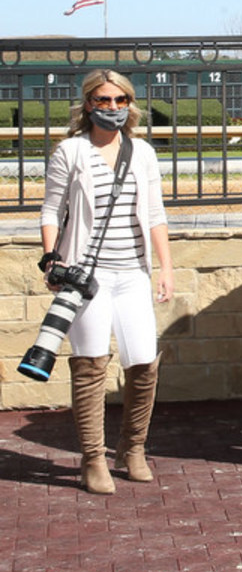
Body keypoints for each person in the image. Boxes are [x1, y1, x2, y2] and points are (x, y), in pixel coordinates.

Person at [39, 69, 174, 494]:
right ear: (87, 105)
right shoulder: (70, 151)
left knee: (143, 362)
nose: (112, 107)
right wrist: (50, 259)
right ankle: (93, 458)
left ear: (129, 104)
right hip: (86, 277)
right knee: (91, 363)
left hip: (132, 272)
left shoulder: (143, 153)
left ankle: (132, 448)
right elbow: (49, 211)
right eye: (102, 100)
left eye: (119, 100)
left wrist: (166, 267)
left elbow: (154, 214)